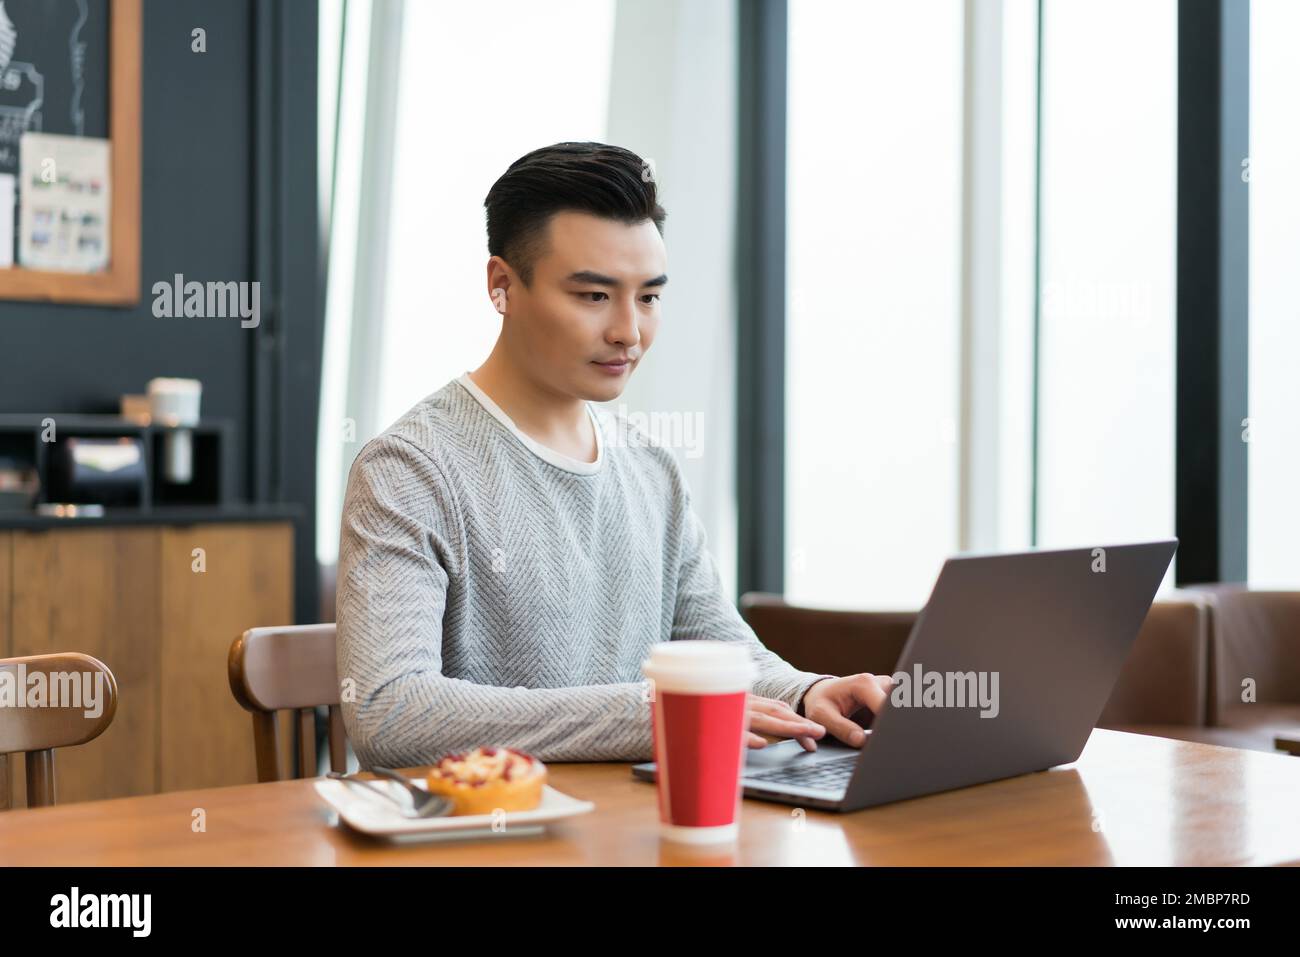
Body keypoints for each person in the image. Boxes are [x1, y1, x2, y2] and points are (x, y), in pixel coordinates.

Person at [337, 141, 892, 767]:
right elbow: (390, 711)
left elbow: (721, 652)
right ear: (502, 286)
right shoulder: (408, 470)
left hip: (626, 831)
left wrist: (808, 691)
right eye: (594, 296)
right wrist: (654, 714)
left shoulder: (653, 470)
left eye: (649, 297)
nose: (629, 331)